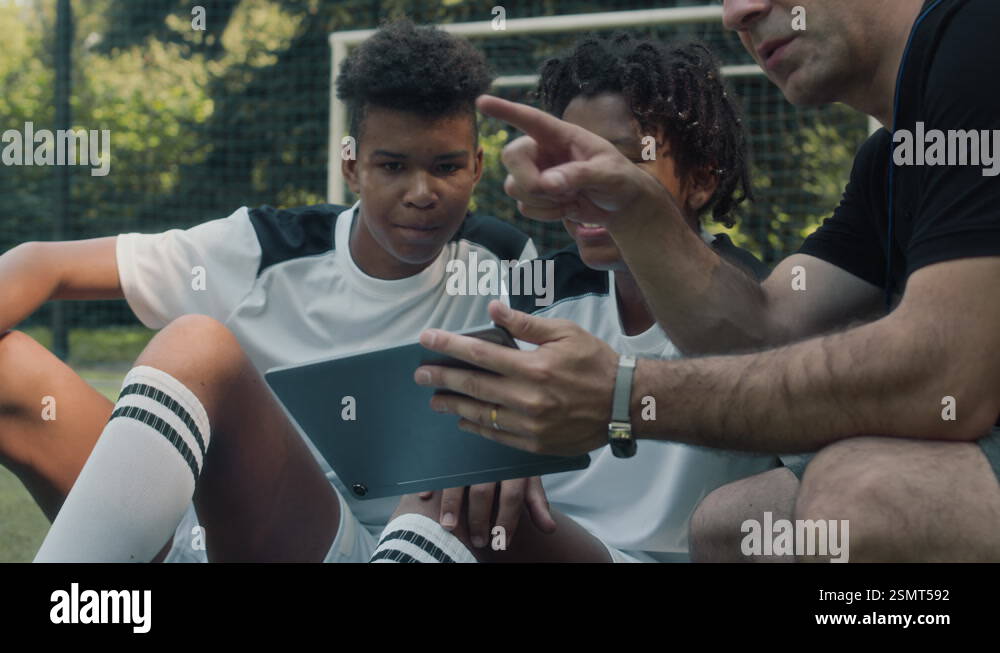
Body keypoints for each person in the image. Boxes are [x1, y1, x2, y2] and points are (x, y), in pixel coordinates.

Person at [414, 0, 1000, 561]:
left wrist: (625, 396)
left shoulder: (976, 32)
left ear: (701, 178)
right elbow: (767, 327)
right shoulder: (888, 160)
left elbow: (947, 374)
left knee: (860, 501)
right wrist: (632, 207)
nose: (734, 12)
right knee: (731, 525)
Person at [16, 19, 555, 562]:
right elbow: (42, 264)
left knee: (198, 345)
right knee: (19, 366)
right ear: (352, 165)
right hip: (220, 532)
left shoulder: (507, 266)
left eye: (447, 167)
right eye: (392, 166)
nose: (422, 193)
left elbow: (553, 416)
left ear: (477, 166)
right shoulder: (267, 248)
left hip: (388, 542)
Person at [378, 33, 780, 563]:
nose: (583, 185)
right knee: (448, 488)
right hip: (560, 546)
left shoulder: (757, 312)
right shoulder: (528, 293)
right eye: (566, 163)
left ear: (701, 180)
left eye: (619, 163)